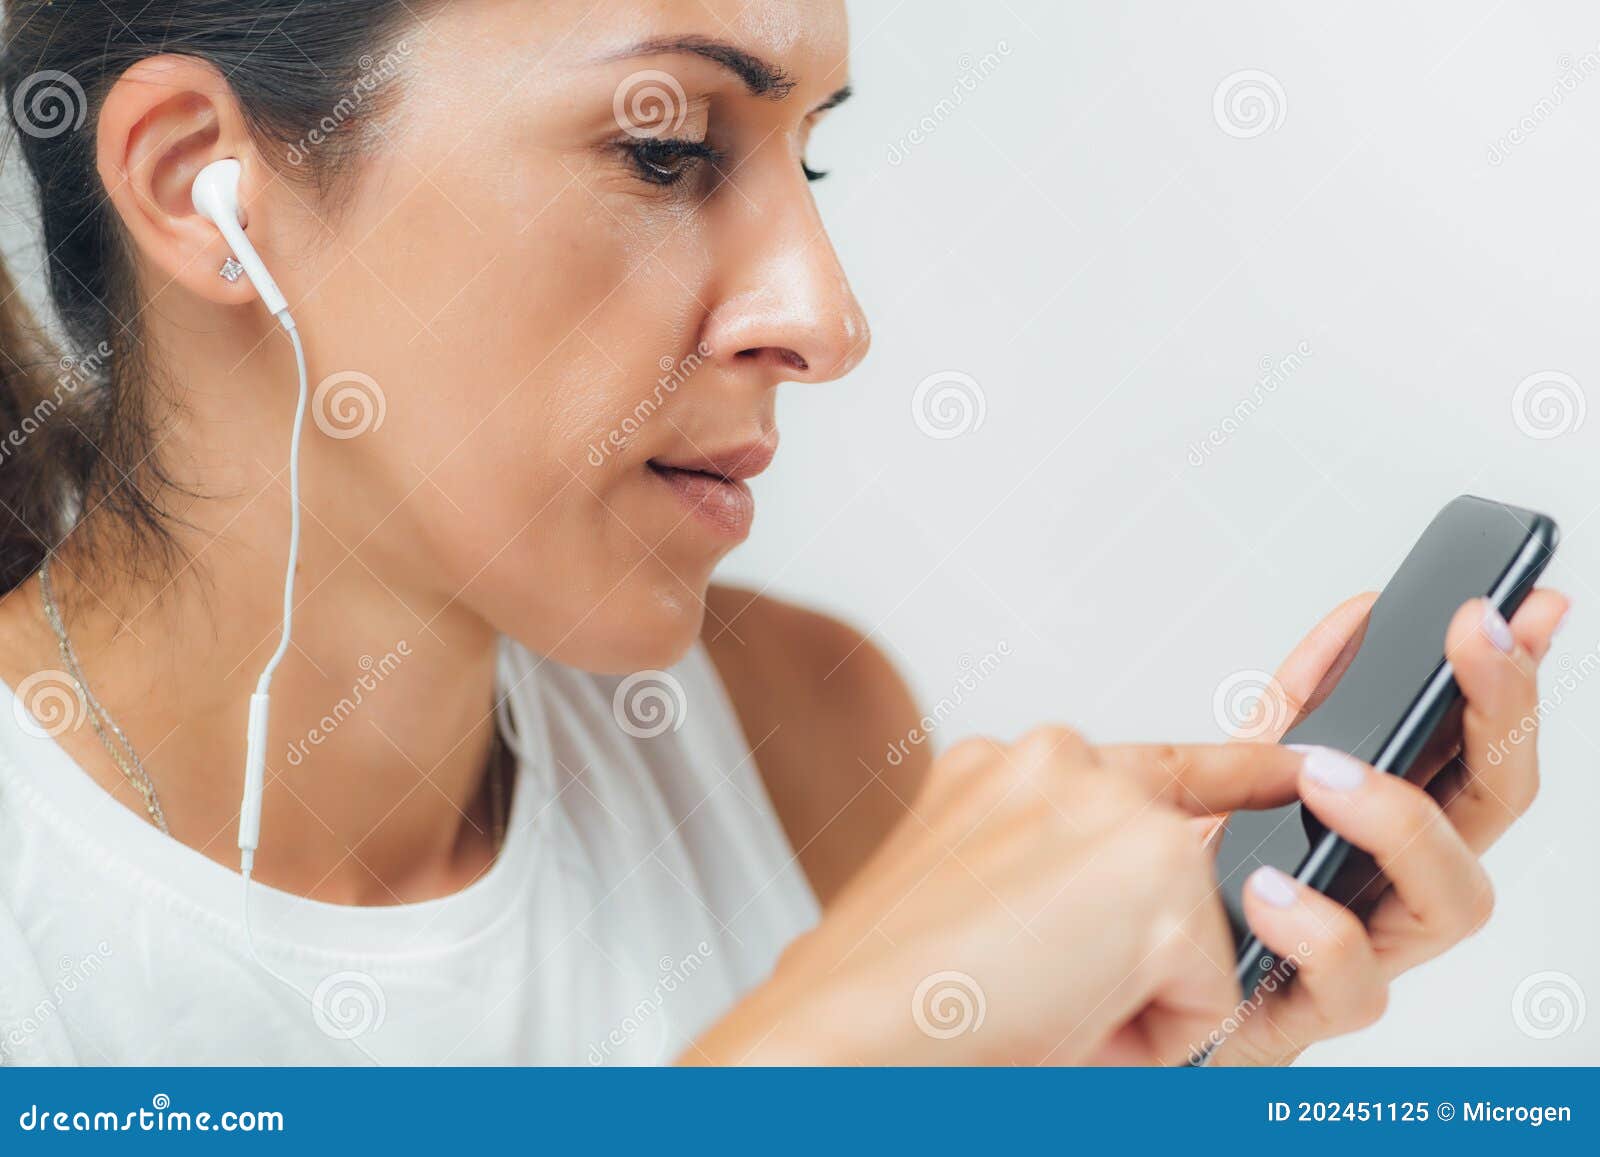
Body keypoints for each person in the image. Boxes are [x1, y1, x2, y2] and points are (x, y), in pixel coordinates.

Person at [0, 0, 1566, 1065]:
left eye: (806, 156)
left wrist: (1141, 1072)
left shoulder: (800, 731)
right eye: (666, 149)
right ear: (201, 184)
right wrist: (826, 1058)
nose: (828, 316)